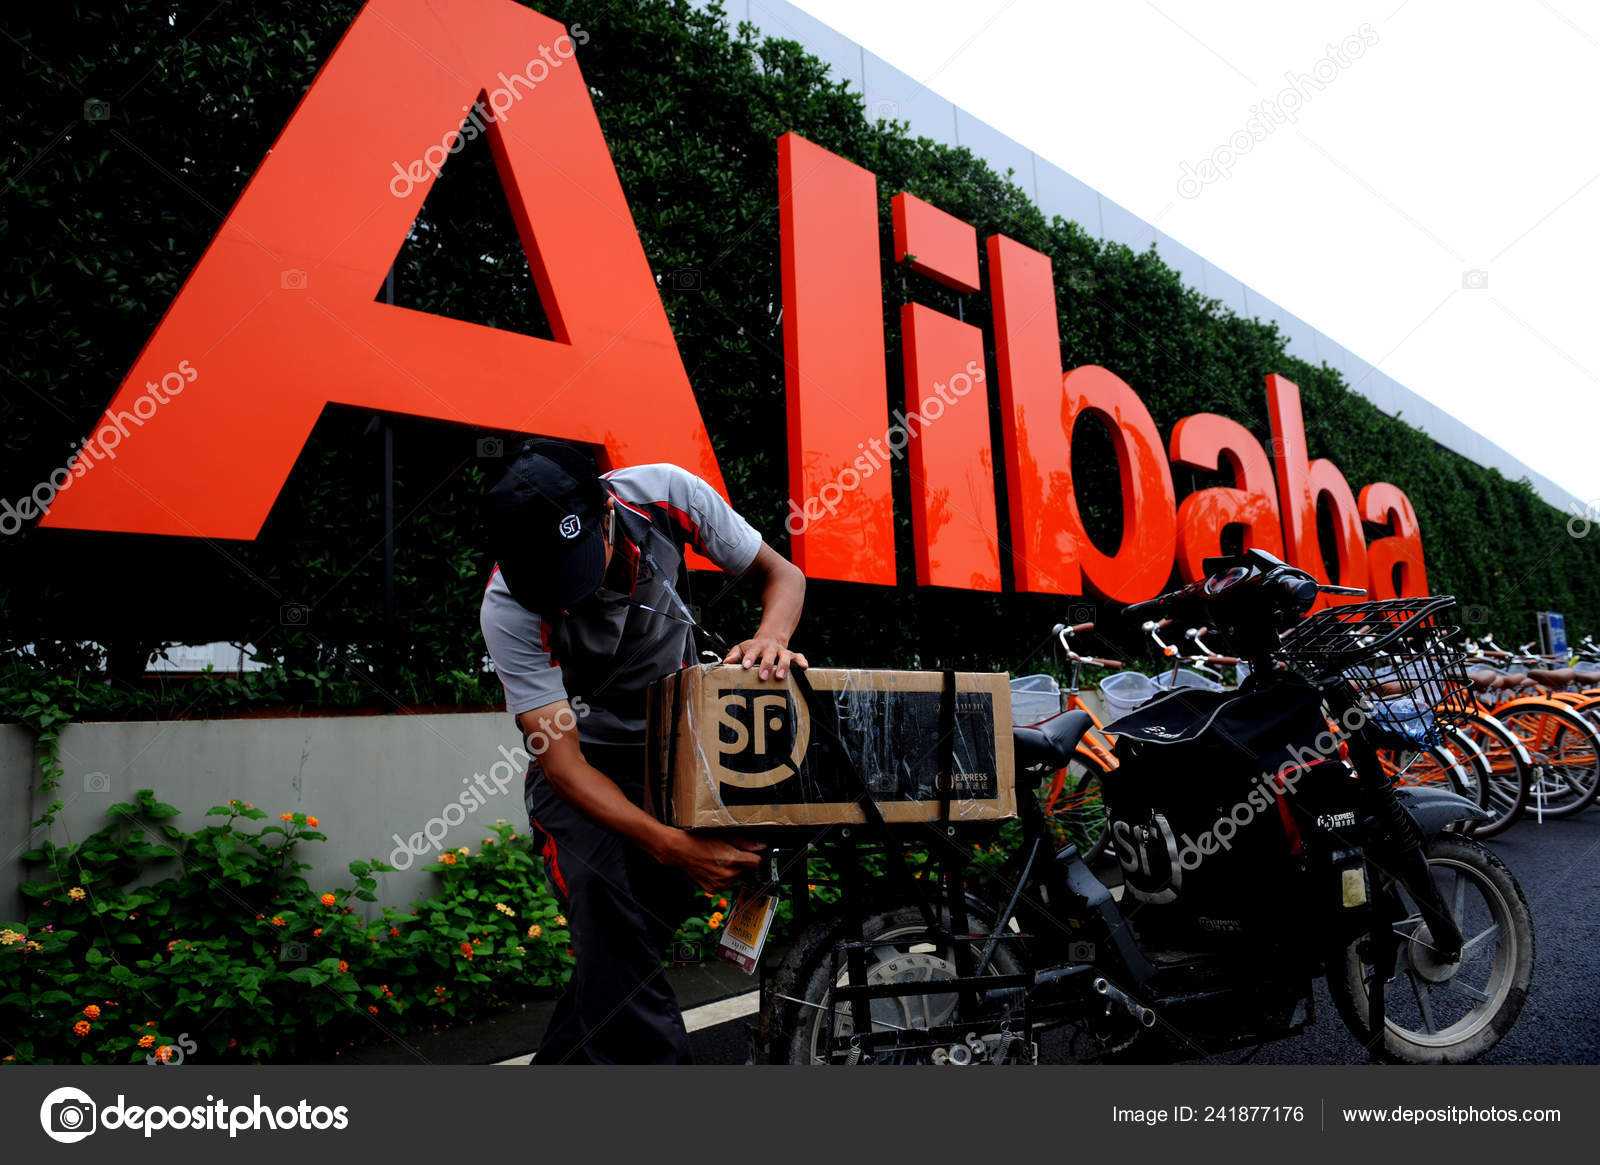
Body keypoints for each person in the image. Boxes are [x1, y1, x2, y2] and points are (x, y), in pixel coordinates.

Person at [478, 440, 807, 1064]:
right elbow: (563, 764)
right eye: (546, 581)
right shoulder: (507, 608)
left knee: (622, 956)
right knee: (605, 906)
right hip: (583, 774)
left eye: (573, 569)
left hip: (673, 757)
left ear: (606, 513)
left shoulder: (663, 494)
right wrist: (672, 846)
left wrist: (770, 638)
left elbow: (783, 575)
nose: (566, 597)